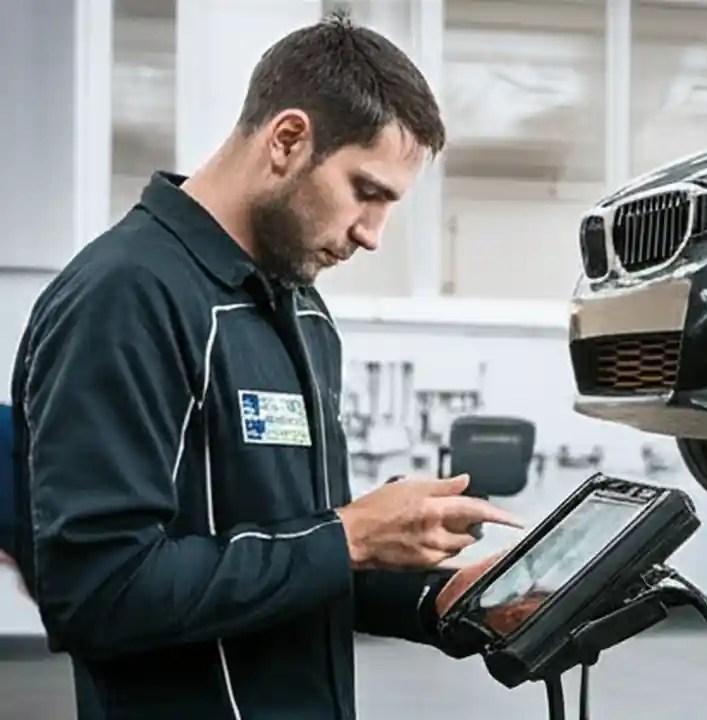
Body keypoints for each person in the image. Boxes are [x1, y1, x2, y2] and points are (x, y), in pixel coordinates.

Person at [9, 12, 521, 719]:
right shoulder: (124, 296)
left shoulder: (303, 311)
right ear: (287, 140)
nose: (372, 234)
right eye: (366, 191)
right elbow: (100, 592)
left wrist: (442, 599)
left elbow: (305, 560)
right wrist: (352, 535)